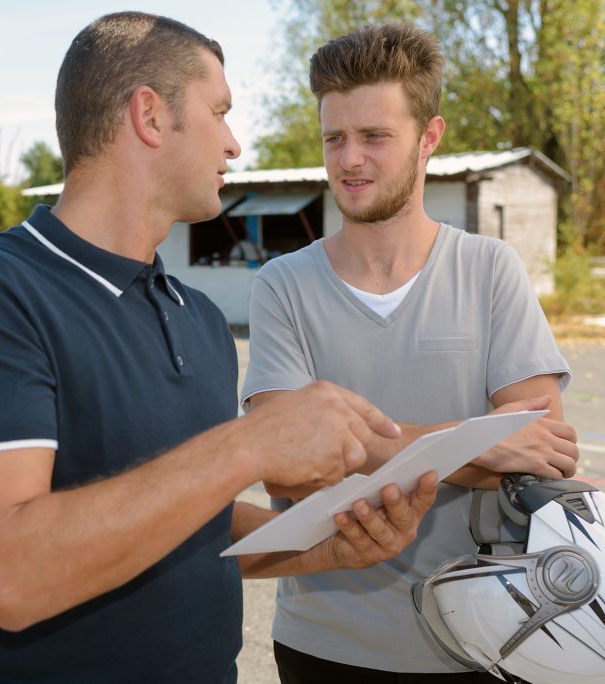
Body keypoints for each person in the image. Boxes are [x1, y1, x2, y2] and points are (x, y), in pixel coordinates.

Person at [0, 12, 439, 683]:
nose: (236, 143)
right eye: (221, 111)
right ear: (150, 117)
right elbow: (12, 578)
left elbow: (184, 524)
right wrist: (252, 442)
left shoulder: (201, 322)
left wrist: (325, 546)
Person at [241, 24, 579, 683]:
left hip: (482, 642)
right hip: (324, 644)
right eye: (334, 138)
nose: (349, 160)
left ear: (429, 138)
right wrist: (476, 444)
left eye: (374, 136)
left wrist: (349, 453)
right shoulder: (281, 286)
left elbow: (542, 457)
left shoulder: (491, 270)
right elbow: (284, 472)